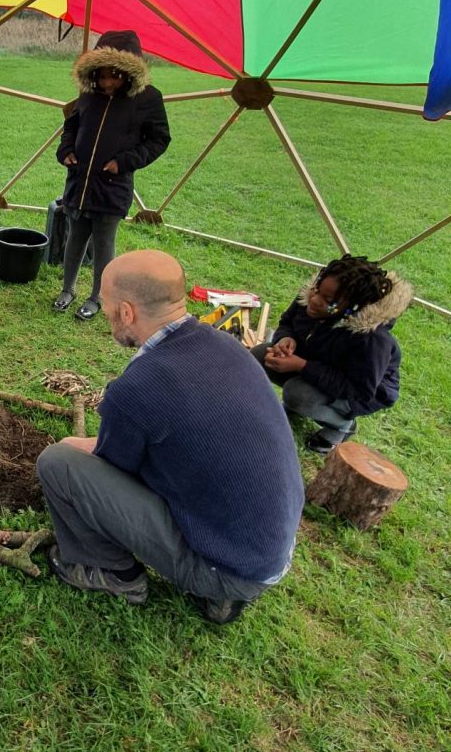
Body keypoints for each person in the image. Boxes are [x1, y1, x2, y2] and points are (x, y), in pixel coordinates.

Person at [36, 250, 304, 624]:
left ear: (126, 312)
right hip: (266, 552)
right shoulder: (225, 345)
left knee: (59, 462)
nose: (107, 314)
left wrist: (70, 447)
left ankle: (114, 573)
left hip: (227, 566)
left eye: (108, 305)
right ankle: (224, 589)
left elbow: (111, 466)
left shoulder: (139, 389)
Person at [53, 30, 170, 321]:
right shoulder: (89, 94)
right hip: (80, 183)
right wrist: (66, 150)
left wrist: (124, 162)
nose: (107, 83)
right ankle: (67, 289)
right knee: (75, 237)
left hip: (112, 186)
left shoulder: (148, 98)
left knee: (104, 243)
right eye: (102, 76)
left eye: (115, 76)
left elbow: (159, 139)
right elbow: (72, 124)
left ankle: (97, 297)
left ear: (129, 72)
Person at [250, 255, 412, 453]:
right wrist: (285, 338)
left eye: (328, 300)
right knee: (259, 355)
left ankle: (342, 425)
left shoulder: (371, 340)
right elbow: (288, 321)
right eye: (317, 290)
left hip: (358, 393)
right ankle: (300, 406)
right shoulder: (312, 297)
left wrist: (302, 366)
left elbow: (358, 391)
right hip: (317, 363)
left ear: (353, 307)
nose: (315, 300)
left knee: (298, 394)